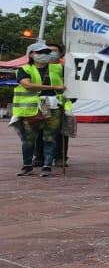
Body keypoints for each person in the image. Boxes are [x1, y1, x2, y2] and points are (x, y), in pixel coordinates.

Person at [12, 42, 68, 177]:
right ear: (31, 54)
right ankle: (27, 166)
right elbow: (27, 85)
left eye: (47, 52)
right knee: (28, 138)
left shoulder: (58, 68)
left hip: (53, 105)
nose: (45, 55)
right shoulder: (24, 69)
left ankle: (47, 166)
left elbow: (74, 78)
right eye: (41, 52)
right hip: (31, 108)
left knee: (50, 137)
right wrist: (53, 87)